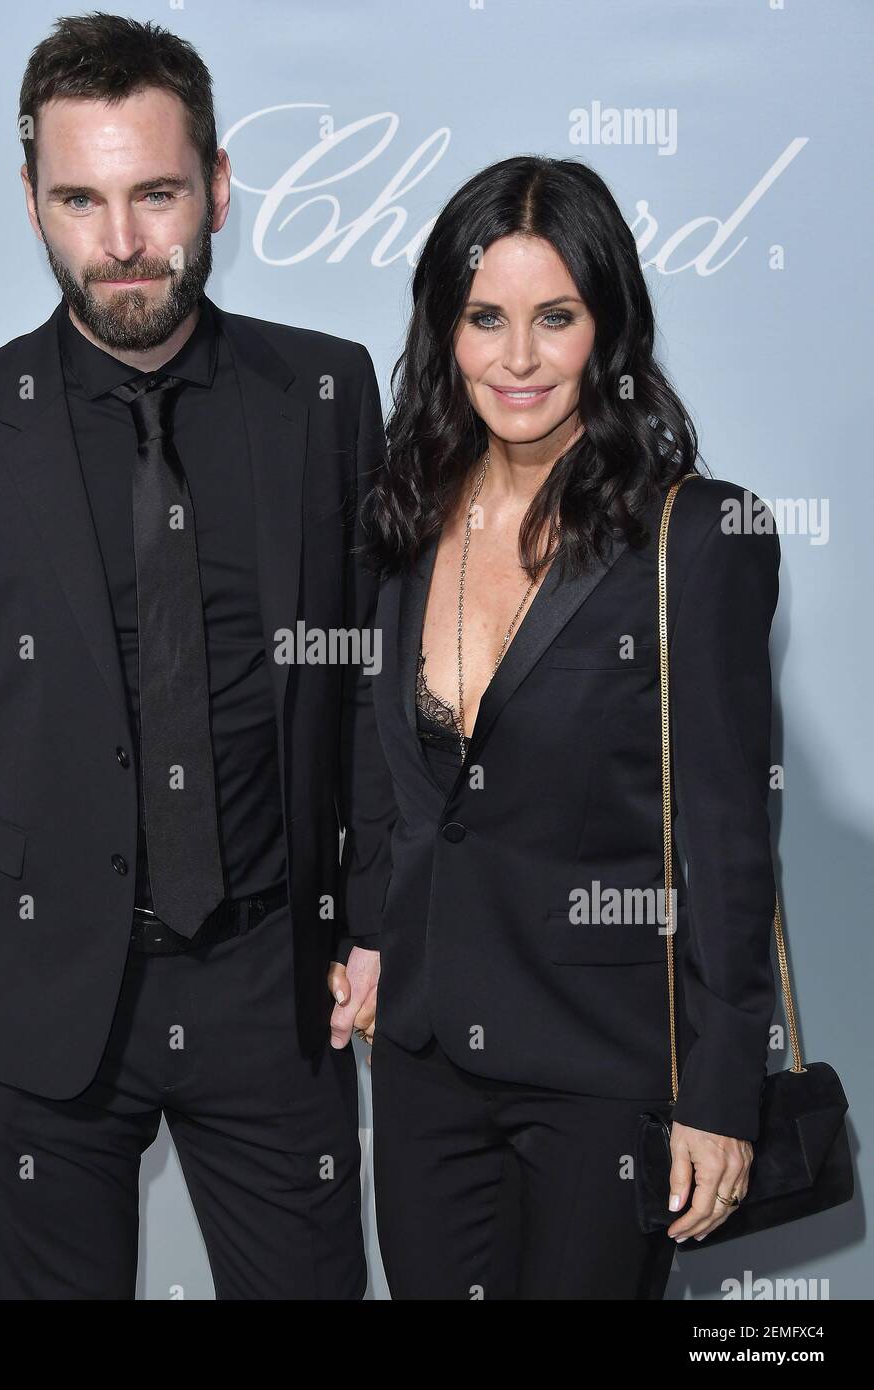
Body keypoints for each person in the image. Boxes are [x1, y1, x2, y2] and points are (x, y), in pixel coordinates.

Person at [0, 13, 392, 1300]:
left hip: (274, 988)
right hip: (35, 996)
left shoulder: (327, 395)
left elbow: (372, 683)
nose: (125, 241)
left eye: (156, 192)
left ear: (217, 189)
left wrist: (373, 921)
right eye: (81, 199)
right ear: (30, 203)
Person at [348, 154, 781, 1299]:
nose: (520, 358)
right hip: (429, 1060)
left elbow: (731, 837)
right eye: (486, 318)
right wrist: (374, 932)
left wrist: (722, 1089)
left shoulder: (697, 536)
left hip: (607, 1069)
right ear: (446, 326)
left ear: (612, 326)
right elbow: (395, 770)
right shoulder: (408, 507)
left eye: (557, 317)